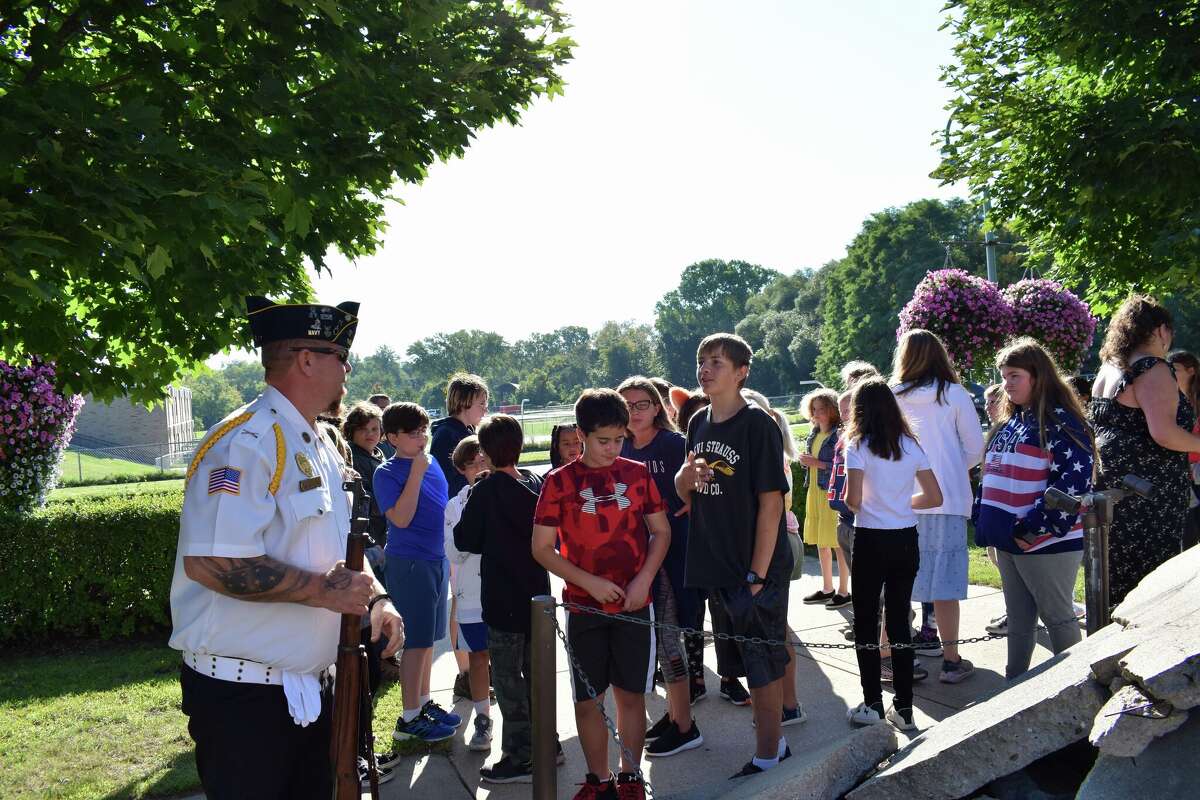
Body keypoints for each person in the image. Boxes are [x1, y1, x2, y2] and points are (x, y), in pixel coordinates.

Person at [169, 296, 404, 799]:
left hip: (310, 687)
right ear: (305, 360)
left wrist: (376, 599)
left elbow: (335, 548)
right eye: (341, 357)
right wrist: (324, 592)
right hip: (244, 701)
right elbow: (213, 562)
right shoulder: (244, 442)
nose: (347, 370)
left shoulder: (317, 441)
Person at [533, 389, 670, 800]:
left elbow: (661, 531)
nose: (612, 449)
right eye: (602, 441)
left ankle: (629, 777)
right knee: (588, 700)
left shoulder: (637, 474)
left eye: (619, 440)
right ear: (581, 434)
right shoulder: (559, 482)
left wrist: (644, 579)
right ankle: (599, 780)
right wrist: (588, 582)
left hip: (634, 604)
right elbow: (541, 548)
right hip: (583, 607)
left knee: (631, 696)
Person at [675, 333, 794, 779]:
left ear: (741, 371)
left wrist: (758, 574)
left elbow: (771, 504)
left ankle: (768, 755)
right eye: (702, 361)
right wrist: (684, 478)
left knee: (762, 663)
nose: (705, 370)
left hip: (755, 566)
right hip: (717, 563)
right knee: (741, 663)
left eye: (717, 362)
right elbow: (684, 493)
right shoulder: (698, 423)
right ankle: (774, 743)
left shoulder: (758, 425)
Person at [973, 339, 1094, 679]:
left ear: (1037, 376)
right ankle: (1014, 687)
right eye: (1003, 376)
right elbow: (991, 477)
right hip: (1009, 540)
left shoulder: (1062, 424)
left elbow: (1072, 484)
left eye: (1014, 376)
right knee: (1019, 619)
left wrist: (1032, 529)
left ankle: (1075, 692)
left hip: (1045, 544)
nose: (1006, 384)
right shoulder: (1010, 422)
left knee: (1058, 618)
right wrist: (985, 519)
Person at [454, 414, 557, 783]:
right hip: (536, 593)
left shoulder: (486, 491)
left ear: (484, 450)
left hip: (502, 599)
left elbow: (465, 539)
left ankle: (521, 756)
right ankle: (549, 743)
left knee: (510, 682)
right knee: (539, 677)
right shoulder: (535, 482)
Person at [842, 377, 943, 732]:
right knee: (899, 622)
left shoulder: (856, 445)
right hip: (905, 538)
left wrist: (870, 502)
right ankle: (904, 708)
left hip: (870, 539)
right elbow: (934, 497)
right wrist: (900, 502)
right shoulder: (910, 445)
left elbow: (852, 500)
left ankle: (872, 703)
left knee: (867, 623)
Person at [890, 329, 985, 683]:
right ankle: (950, 659)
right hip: (946, 497)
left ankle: (896, 658)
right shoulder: (955, 395)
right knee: (945, 583)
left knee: (898, 582)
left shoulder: (891, 396)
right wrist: (948, 470)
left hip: (901, 499)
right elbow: (975, 447)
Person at [1092, 296, 1200, 603]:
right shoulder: (1152, 368)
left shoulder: (1109, 369)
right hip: (1147, 493)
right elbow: (1164, 434)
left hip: (1113, 484)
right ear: (1161, 330)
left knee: (1114, 578)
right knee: (1148, 586)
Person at [617, 376, 704, 758]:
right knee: (656, 642)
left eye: (641, 404)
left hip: (670, 556)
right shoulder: (617, 447)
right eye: (627, 405)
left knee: (670, 640)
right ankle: (675, 714)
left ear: (657, 407)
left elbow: (702, 484)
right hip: (633, 559)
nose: (634, 412)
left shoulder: (673, 445)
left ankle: (686, 726)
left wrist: (690, 499)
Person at [373, 402, 461, 743]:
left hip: (437, 559)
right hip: (410, 562)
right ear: (392, 437)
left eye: (424, 429)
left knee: (428, 640)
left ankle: (423, 705)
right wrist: (416, 473)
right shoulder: (387, 472)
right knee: (416, 642)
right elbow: (401, 518)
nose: (422, 437)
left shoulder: (431, 460)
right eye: (412, 432)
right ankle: (409, 719)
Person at [742, 389, 809, 730]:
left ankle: (789, 704)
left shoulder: (766, 452)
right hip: (774, 543)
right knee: (774, 626)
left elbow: (769, 509)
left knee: (777, 628)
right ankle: (782, 704)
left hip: (775, 544)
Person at [442, 435, 493, 753]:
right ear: (462, 469)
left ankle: (527, 724)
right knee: (478, 658)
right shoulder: (456, 505)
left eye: (484, 460)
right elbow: (456, 552)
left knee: (516, 661)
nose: (480, 467)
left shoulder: (507, 492)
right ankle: (483, 719)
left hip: (505, 593)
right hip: (472, 594)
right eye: (473, 464)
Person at [798, 388, 848, 608]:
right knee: (821, 542)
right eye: (814, 409)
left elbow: (842, 466)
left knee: (837, 542)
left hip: (831, 493)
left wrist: (816, 464)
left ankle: (844, 591)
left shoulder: (838, 435)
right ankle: (828, 588)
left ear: (832, 411)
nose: (816, 414)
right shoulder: (814, 433)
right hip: (815, 492)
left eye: (821, 410)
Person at [1167, 350, 1200, 550]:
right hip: (1182, 471)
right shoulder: (1171, 400)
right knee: (1187, 530)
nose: (1169, 373)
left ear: (1191, 371)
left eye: (1175, 369)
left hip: (1197, 470)